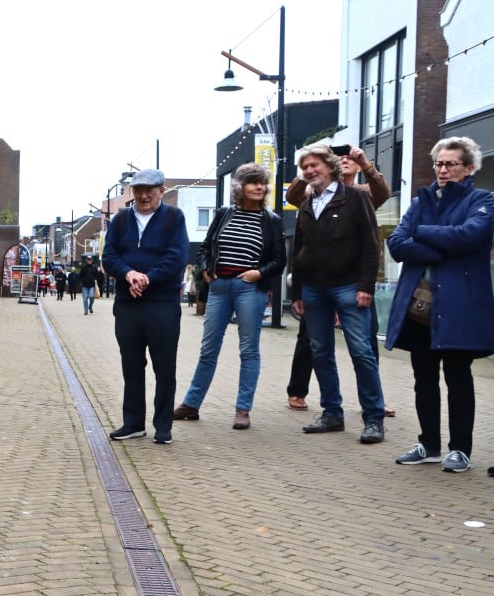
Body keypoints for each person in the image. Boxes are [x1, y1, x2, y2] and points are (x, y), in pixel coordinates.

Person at [385, 137, 494, 473]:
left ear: (469, 167)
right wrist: (439, 245)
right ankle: (428, 444)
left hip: (460, 304)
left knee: (458, 376)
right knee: (424, 377)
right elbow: (396, 243)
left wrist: (420, 232)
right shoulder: (423, 200)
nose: (443, 170)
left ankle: (460, 449)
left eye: (451, 164)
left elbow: (468, 236)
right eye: (439, 164)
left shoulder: (484, 200)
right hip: (421, 306)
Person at [173, 164, 286, 430]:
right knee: (208, 349)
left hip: (249, 289)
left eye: (262, 183)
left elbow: (279, 260)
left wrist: (258, 273)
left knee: (248, 350)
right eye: (253, 183)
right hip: (220, 288)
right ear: (240, 187)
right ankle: (191, 404)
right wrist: (206, 272)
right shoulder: (224, 214)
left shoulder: (272, 220)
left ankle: (242, 410)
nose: (260, 187)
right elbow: (205, 248)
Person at [289, 143, 387, 444]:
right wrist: (298, 291)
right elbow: (300, 250)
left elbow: (372, 245)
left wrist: (365, 286)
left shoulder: (356, 197)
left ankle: (374, 418)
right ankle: (332, 413)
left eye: (314, 165)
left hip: (349, 287)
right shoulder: (307, 204)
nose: (308, 171)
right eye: (304, 167)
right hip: (314, 290)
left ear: (330, 167)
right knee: (320, 353)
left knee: (362, 352)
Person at [101, 169, 188, 445]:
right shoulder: (121, 219)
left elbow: (177, 257)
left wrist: (148, 278)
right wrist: (129, 274)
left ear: (161, 191)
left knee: (164, 367)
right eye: (137, 190)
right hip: (128, 304)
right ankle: (133, 423)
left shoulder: (174, 218)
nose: (143, 196)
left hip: (162, 303)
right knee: (131, 366)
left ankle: (163, 426)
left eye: (149, 190)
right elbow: (110, 256)